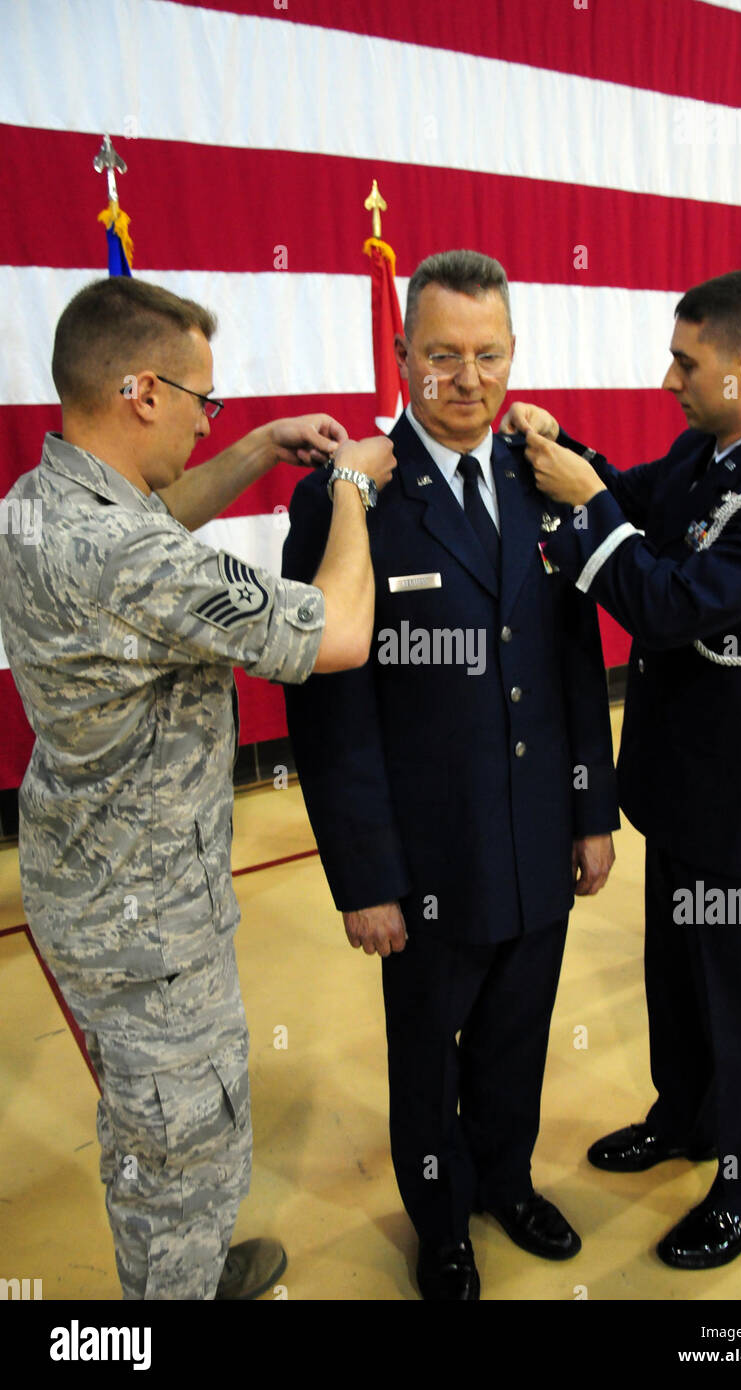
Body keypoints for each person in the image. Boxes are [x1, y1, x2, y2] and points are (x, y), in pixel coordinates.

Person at [0, 275, 395, 1300]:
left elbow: (155, 514)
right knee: (183, 1137)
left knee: (148, 1118)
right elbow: (337, 630)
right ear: (141, 390)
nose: (204, 416)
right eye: (201, 400)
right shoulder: (127, 556)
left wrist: (260, 449)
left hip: (86, 886)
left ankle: (180, 1264)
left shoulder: (43, 503)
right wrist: (351, 486)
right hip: (149, 924)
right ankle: (175, 1287)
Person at [281, 249, 618, 1300]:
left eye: (486, 355)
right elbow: (328, 709)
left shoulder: (545, 473)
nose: (465, 378)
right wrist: (367, 876)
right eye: (440, 356)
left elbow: (572, 661)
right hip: (426, 857)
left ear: (511, 354)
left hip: (533, 833)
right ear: (401, 356)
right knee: (426, 1054)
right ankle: (442, 1221)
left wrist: (588, 808)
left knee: (518, 1029)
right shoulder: (349, 501)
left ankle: (506, 1180)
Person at [520, 270, 741, 1269]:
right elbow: (623, 497)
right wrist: (556, 447)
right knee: (680, 980)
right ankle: (685, 1120)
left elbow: (664, 601)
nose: (667, 380)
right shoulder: (705, 454)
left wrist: (588, 509)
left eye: (684, 361)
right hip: (682, 792)